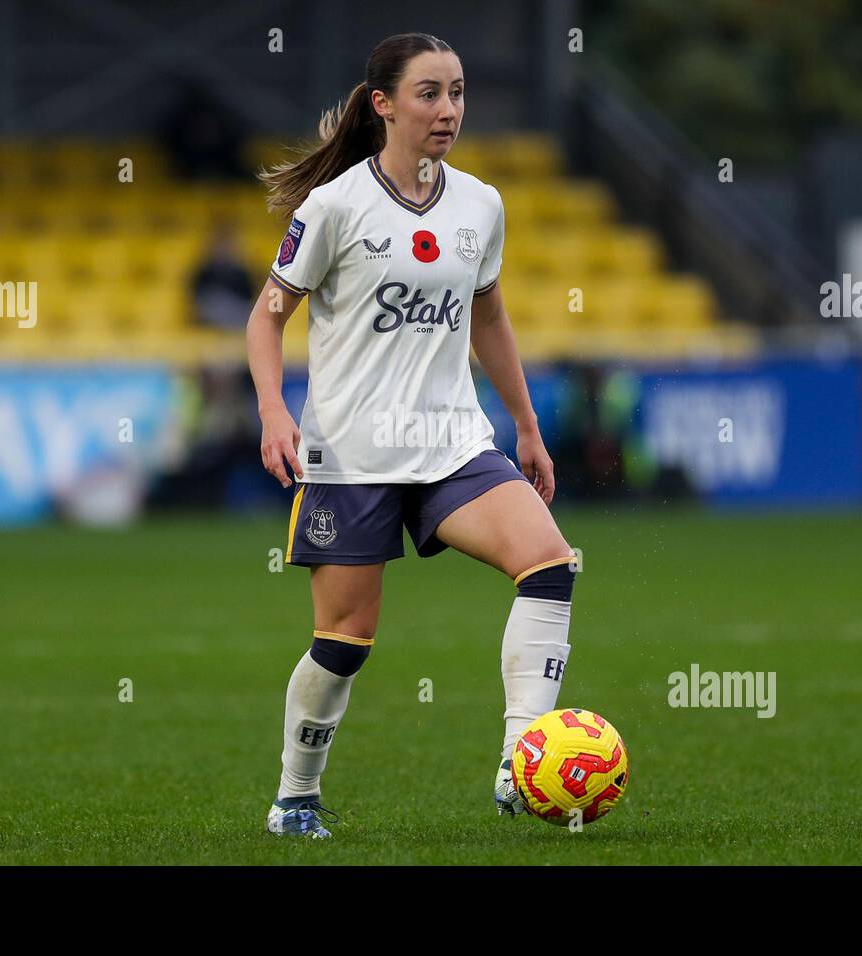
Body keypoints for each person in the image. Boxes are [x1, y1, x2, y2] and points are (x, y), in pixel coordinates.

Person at [245, 33, 578, 839]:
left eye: (458, 92)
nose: (449, 110)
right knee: (344, 641)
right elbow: (268, 315)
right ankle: (295, 798)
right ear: (383, 104)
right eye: (429, 93)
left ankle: (520, 758)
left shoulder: (480, 205)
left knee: (549, 566)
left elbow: (489, 315)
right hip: (353, 451)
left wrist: (527, 428)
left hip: (453, 443)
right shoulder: (332, 208)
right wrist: (273, 411)